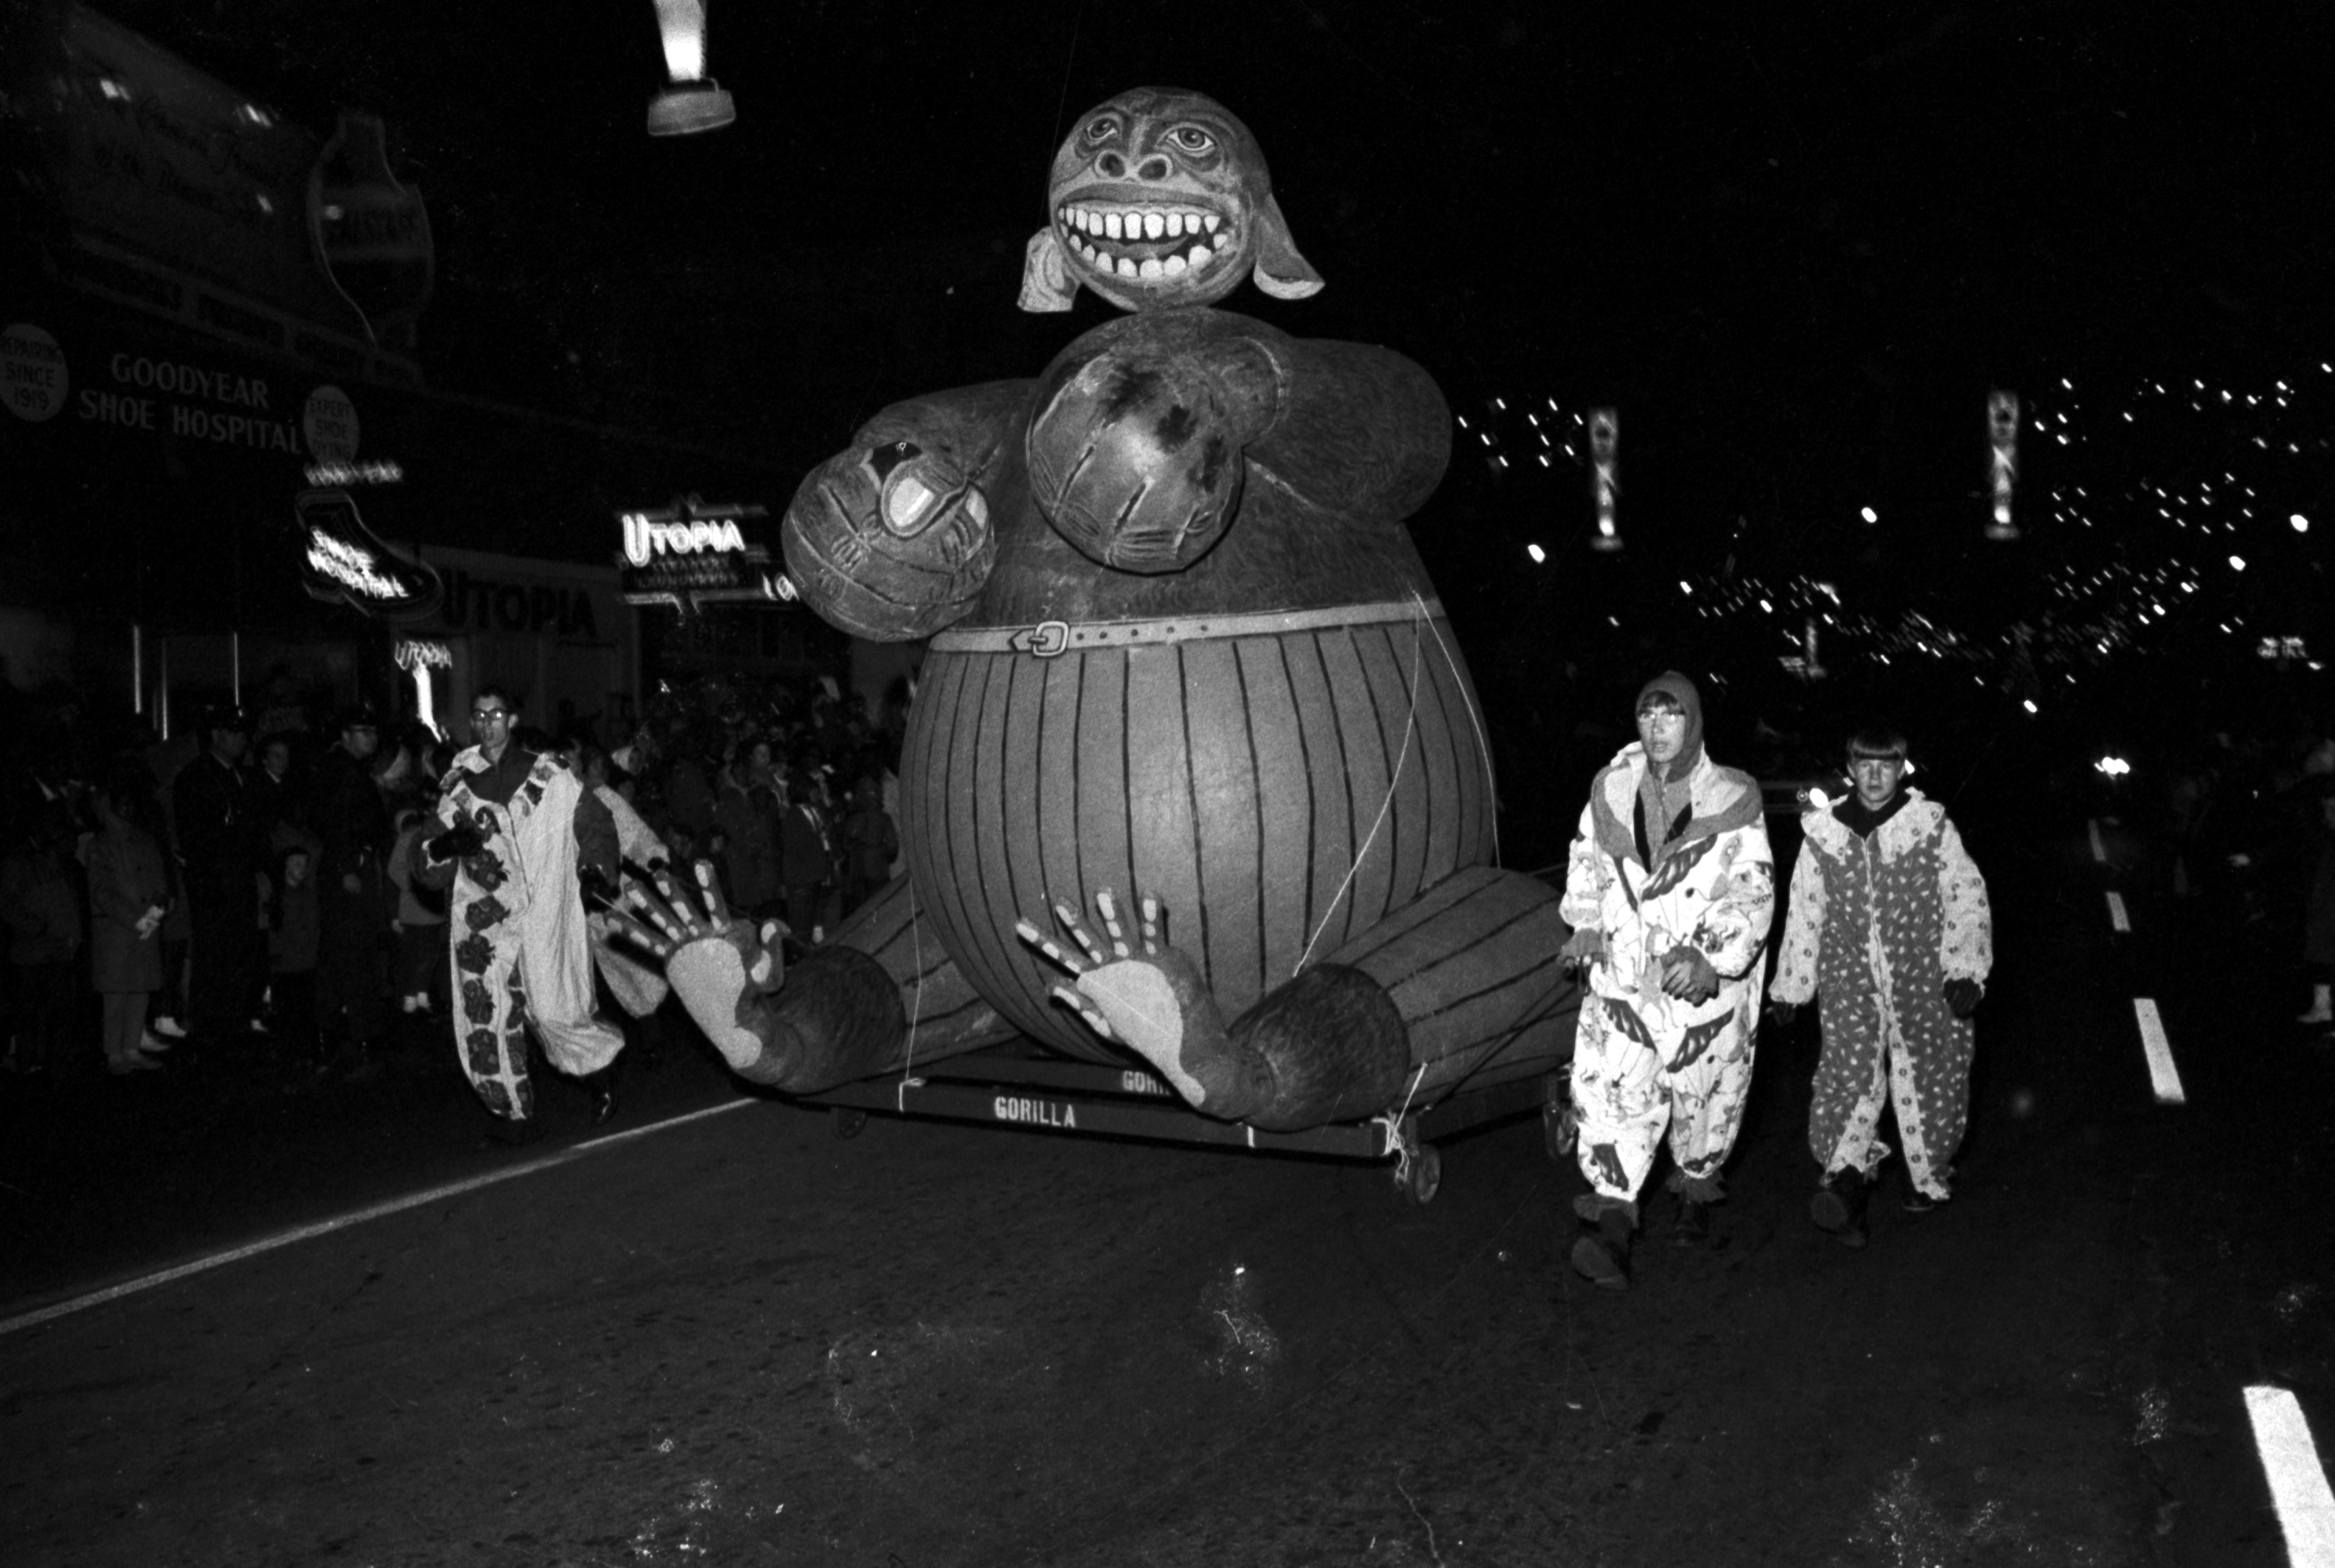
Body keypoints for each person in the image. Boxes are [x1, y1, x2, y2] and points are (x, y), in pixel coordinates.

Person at [1557, 672, 1775, 1288]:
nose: (1657, 728)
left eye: (1670, 715)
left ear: (1693, 722)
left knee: (1702, 1101)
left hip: (1694, 989)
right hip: (1624, 978)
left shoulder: (1731, 798)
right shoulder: (1610, 789)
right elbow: (1586, 859)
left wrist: (1711, 956)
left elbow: (1752, 888)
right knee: (1611, 1094)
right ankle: (1613, 1232)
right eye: (1647, 715)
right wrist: (1585, 923)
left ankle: (1693, 1189)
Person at [1768, 725, 1993, 1246]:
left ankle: (1926, 1171)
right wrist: (1791, 986)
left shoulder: (1929, 825)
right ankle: (1846, 1185)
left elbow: (1965, 893)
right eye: (1865, 764)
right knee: (1847, 1075)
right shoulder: (1823, 832)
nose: (1875, 775)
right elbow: (1806, 909)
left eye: (1886, 764)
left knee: (1933, 1072)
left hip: (1922, 977)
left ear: (1901, 768)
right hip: (1850, 978)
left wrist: (1965, 969)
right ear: (1850, 768)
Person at [416, 684, 625, 1139]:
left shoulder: (549, 775)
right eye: (479, 716)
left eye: (496, 715)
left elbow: (593, 821)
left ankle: (598, 1071)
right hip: (486, 921)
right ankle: (513, 1114)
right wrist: (446, 845)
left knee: (551, 1009)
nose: (487, 724)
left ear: (511, 720)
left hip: (544, 913)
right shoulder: (457, 787)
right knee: (486, 1017)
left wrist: (595, 868)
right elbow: (427, 866)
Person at [169, 704, 268, 1053]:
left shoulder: (238, 774)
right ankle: (211, 1028)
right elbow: (197, 837)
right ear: (216, 734)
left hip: (238, 879)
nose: (240, 739)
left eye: (243, 733)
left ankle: (234, 1022)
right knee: (214, 955)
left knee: (239, 953)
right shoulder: (197, 776)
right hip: (214, 883)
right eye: (233, 732)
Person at [311, 705, 392, 1078]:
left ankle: (338, 1037)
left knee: (347, 953)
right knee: (353, 954)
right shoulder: (341, 770)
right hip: (349, 868)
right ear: (345, 735)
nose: (370, 739)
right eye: (363, 731)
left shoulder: (349, 768)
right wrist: (347, 866)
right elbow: (335, 819)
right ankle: (356, 1038)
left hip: (354, 864)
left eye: (372, 732)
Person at [86, 775, 173, 1076]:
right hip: (116, 930)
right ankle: (114, 1052)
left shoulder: (146, 840)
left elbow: (161, 883)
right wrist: (136, 920)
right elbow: (101, 892)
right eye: (123, 804)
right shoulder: (100, 844)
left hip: (144, 926)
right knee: (116, 995)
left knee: (140, 991)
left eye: (132, 805)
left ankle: (132, 1048)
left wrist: (153, 916)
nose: (129, 810)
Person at [2, 800, 89, 1080]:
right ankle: (29, 1066)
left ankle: (55, 1066)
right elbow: (8, 904)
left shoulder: (67, 865)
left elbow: (72, 907)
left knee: (59, 1014)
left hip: (61, 953)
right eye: (61, 831)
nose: (69, 838)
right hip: (32, 955)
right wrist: (36, 927)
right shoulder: (19, 862)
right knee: (30, 1015)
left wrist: (72, 938)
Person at [386, 807, 448, 1017]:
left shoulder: (437, 837)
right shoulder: (408, 838)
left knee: (431, 955)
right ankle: (409, 995)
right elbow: (394, 869)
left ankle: (422, 993)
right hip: (415, 908)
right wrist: (416, 886)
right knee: (414, 955)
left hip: (434, 908)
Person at [779, 768, 837, 950]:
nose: (818, 794)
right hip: (802, 878)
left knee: (815, 919)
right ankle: (800, 954)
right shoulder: (793, 817)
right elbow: (800, 849)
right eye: (814, 790)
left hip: (814, 876)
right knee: (802, 924)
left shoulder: (813, 812)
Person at [841, 773, 899, 915]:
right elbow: (893, 846)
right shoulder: (884, 818)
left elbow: (846, 843)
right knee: (880, 906)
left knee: (861, 908)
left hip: (858, 869)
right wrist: (885, 854)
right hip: (878, 868)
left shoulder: (853, 817)